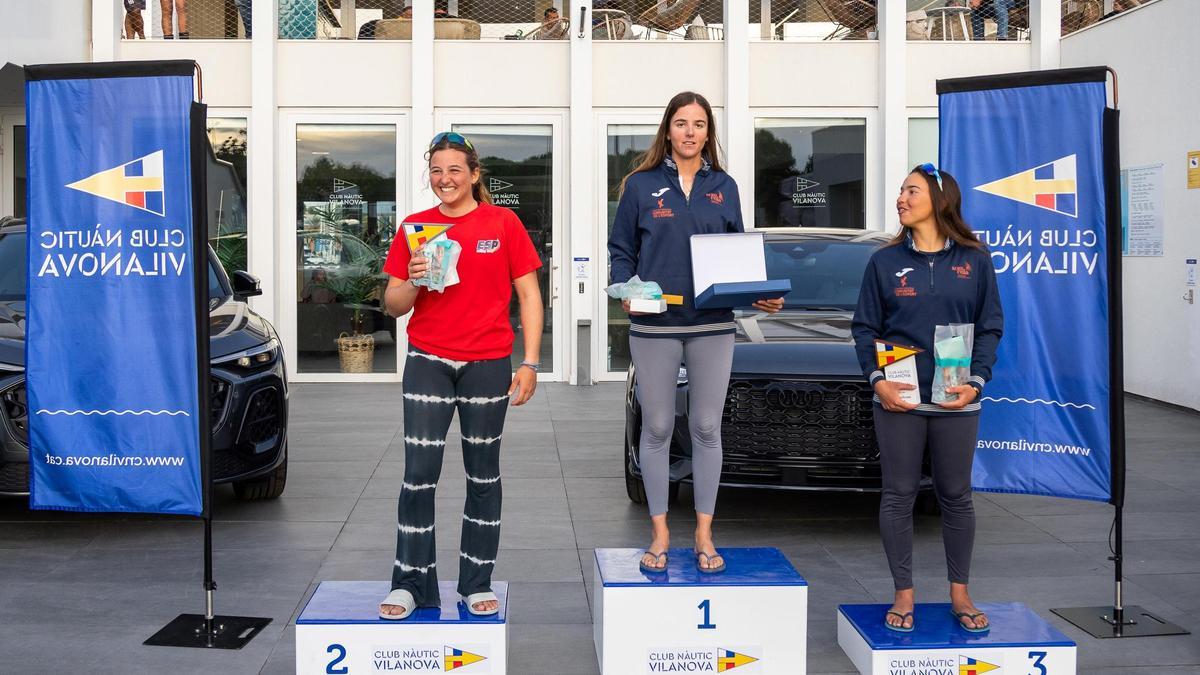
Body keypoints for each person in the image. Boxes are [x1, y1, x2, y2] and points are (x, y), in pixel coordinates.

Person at [609, 91, 784, 576]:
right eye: (681, 123)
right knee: (659, 426)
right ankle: (661, 532)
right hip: (654, 326)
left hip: (712, 326)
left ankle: (705, 533)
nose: (690, 132)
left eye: (699, 124)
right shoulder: (640, 186)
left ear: (709, 133)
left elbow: (736, 258)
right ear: (668, 130)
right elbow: (621, 249)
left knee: (707, 427)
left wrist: (758, 294)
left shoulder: (723, 187)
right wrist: (626, 286)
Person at [378, 132, 544, 620]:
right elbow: (393, 305)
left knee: (483, 475)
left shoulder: (503, 222)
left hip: (488, 364)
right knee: (418, 476)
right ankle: (410, 583)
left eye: (454, 170)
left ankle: (476, 582)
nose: (444, 179)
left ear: (474, 175)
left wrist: (530, 362)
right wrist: (410, 273)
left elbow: (529, 296)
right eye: (435, 170)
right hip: (428, 359)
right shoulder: (415, 227)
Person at [851, 164, 1003, 633]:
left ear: (939, 200)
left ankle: (961, 595)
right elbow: (864, 329)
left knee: (956, 496)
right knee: (897, 495)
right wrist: (878, 382)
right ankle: (903, 595)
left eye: (911, 191)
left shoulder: (976, 261)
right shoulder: (884, 261)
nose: (901, 198)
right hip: (899, 400)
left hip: (958, 402)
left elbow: (990, 327)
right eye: (900, 190)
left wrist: (976, 382)